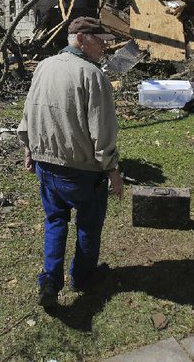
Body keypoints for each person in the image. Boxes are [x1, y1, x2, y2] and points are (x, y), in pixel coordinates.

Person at [17, 16, 123, 308]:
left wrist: (28, 148)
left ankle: (50, 281)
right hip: (81, 171)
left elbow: (28, 112)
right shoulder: (92, 74)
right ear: (80, 40)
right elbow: (102, 129)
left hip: (46, 165)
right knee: (88, 225)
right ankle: (83, 278)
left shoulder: (44, 66)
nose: (104, 47)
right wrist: (112, 169)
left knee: (55, 221)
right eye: (99, 41)